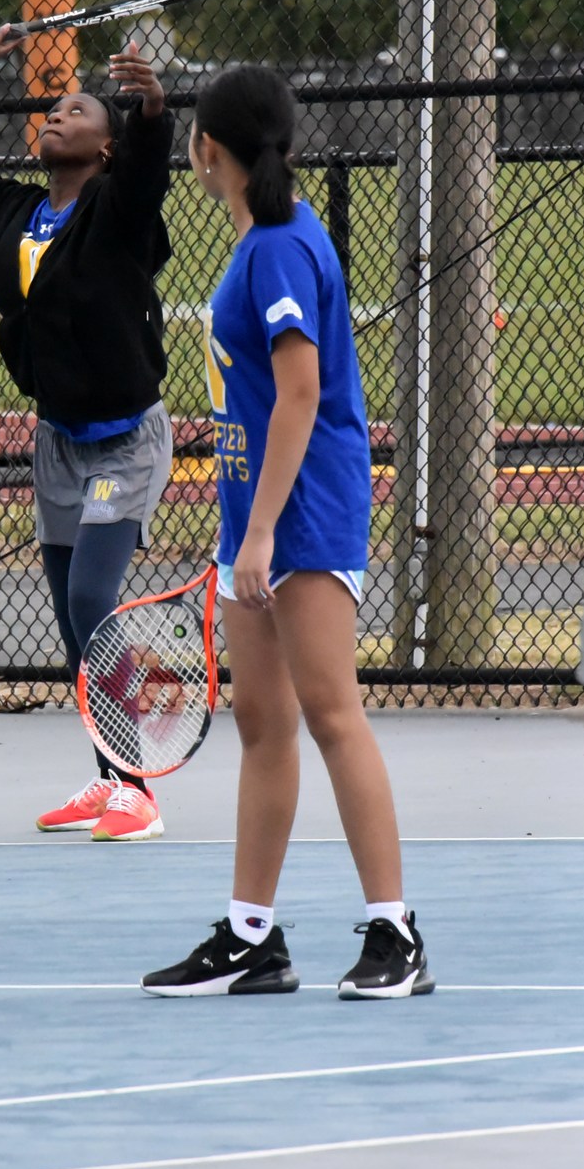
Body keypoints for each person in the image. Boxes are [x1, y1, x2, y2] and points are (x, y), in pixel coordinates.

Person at [141, 65, 431, 997]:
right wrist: (240, 530)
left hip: (304, 513)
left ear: (209, 150)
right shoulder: (258, 243)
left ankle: (396, 933)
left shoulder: (278, 249)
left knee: (332, 714)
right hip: (255, 520)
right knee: (263, 724)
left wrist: (262, 530)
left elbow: (302, 395)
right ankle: (252, 936)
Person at [0, 29, 177, 842]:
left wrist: (150, 104)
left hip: (125, 439)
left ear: (104, 147)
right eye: (52, 108)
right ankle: (109, 776)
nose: (55, 116)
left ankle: (137, 788)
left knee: (91, 601)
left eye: (77, 110)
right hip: (58, 441)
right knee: (74, 624)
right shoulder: (18, 212)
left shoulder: (116, 206)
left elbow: (146, 174)